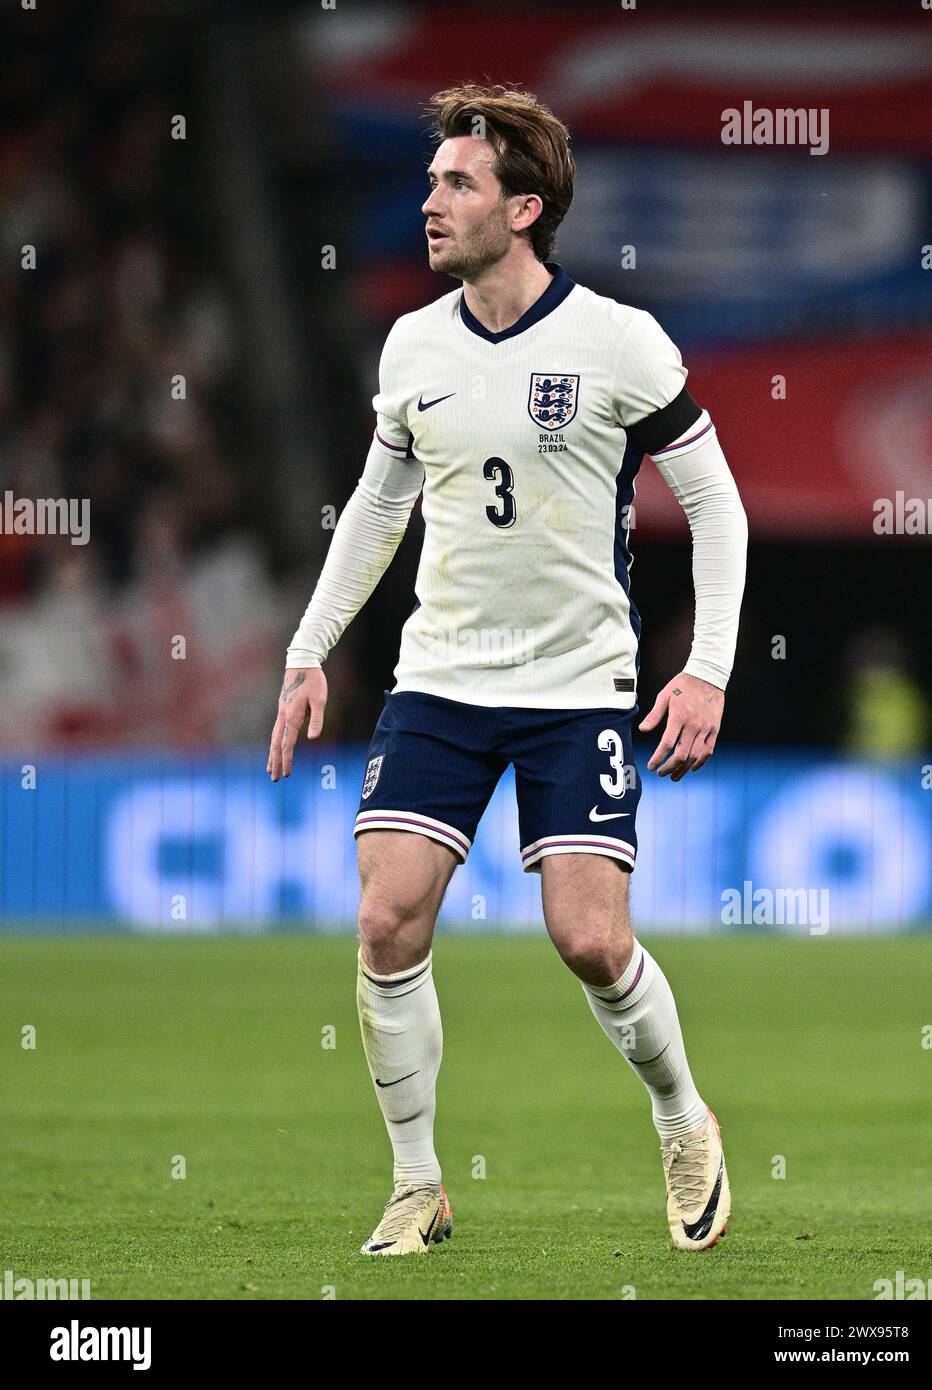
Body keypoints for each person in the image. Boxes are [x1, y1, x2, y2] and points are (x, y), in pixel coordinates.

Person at [268, 84, 748, 1256]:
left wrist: (707, 670)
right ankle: (418, 1184)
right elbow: (378, 507)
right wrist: (308, 648)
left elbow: (717, 506)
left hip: (576, 684)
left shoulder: (617, 342)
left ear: (522, 207)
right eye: (430, 180)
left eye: (457, 183)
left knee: (586, 937)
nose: (428, 200)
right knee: (385, 921)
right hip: (439, 678)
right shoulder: (413, 344)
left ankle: (683, 1119)